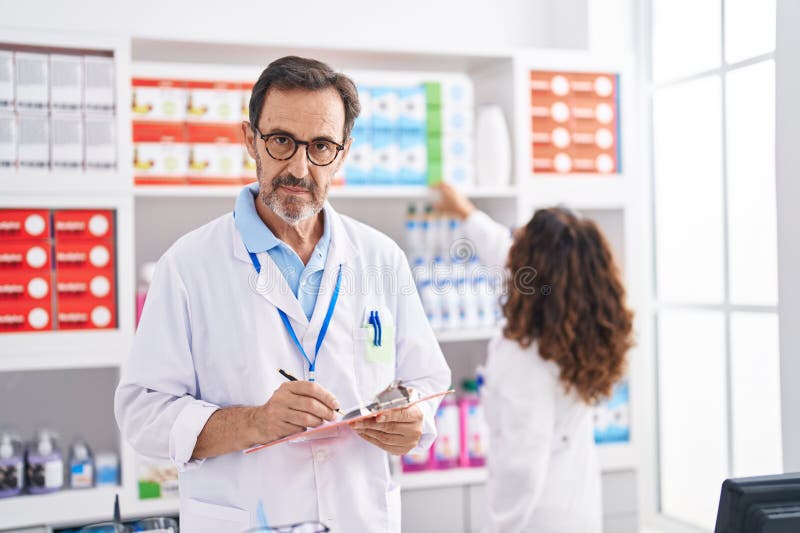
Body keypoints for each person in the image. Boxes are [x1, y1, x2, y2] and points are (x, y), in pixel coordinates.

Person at [115, 56, 451, 533]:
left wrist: (411, 420)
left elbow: (426, 378)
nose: (298, 166)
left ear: (344, 152)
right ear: (250, 139)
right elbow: (141, 414)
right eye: (281, 141)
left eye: (320, 146)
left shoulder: (381, 258)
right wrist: (254, 422)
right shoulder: (188, 265)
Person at [435, 182, 634, 533]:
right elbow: (506, 255)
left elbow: (520, 468)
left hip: (533, 518)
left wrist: (498, 526)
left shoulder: (524, 357)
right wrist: (467, 213)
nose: (512, 248)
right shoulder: (576, 330)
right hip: (577, 506)